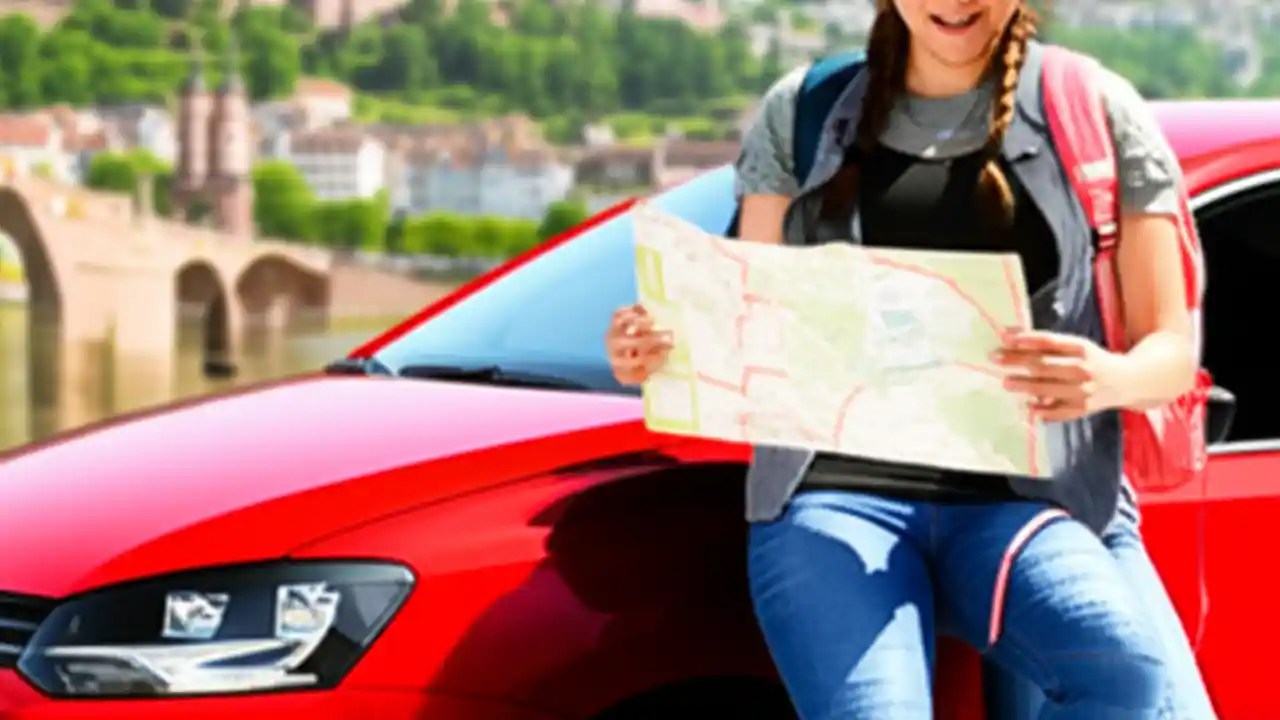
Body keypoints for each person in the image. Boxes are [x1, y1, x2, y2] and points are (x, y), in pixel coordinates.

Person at [605, 1, 1211, 718]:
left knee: (1127, 671)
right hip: (834, 498)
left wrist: (1104, 377)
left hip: (1013, 505)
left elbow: (1172, 353)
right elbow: (744, 309)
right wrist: (651, 346)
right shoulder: (805, 114)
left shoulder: (1093, 114)